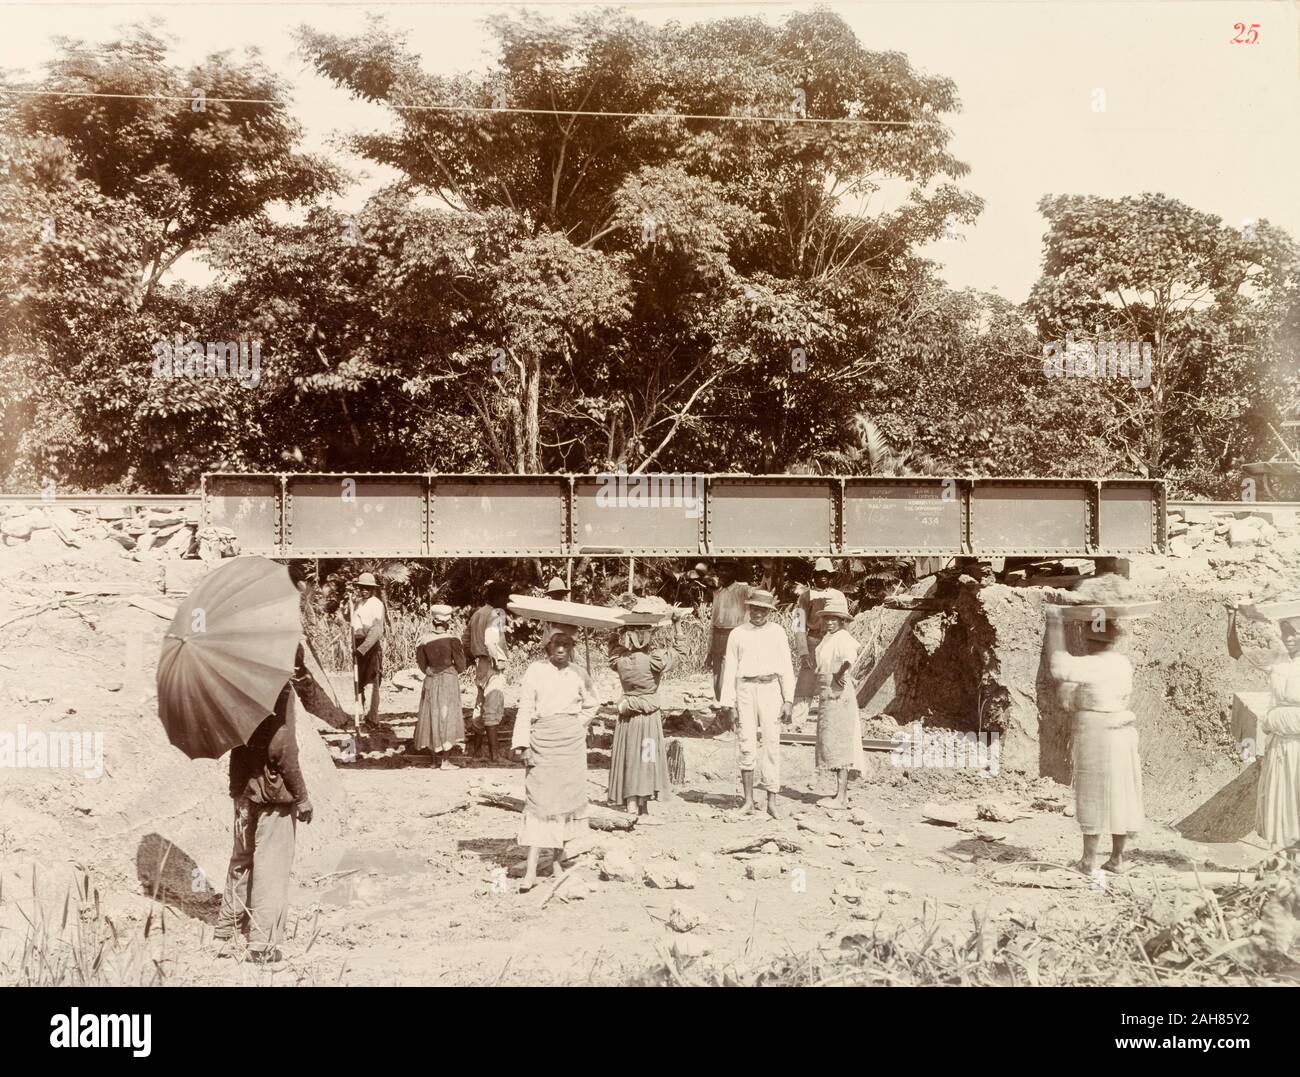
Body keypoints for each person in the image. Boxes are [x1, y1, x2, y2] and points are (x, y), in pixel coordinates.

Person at [214, 646, 314, 964]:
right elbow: (282, 750)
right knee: (271, 866)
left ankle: (227, 933)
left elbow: (233, 742)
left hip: (244, 790)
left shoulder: (236, 686)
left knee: (241, 859)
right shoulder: (280, 693)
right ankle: (262, 943)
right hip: (273, 796)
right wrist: (302, 796)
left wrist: (238, 786)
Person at [1046, 607, 1144, 875]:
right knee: (1119, 794)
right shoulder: (1122, 663)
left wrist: (1054, 624)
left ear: (1090, 640)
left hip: (1098, 731)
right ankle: (1117, 859)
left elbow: (1058, 664)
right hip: (1121, 730)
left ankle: (1089, 861)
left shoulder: (1088, 664)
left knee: (1093, 793)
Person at [510, 631, 599, 891]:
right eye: (556, 645)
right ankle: (530, 870)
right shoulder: (535, 671)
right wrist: (522, 744)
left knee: (566, 802)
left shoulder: (579, 673)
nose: (561, 649)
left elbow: (593, 703)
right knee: (539, 803)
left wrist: (576, 726)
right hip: (543, 741)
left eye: (566, 645)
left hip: (570, 745)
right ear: (548, 647)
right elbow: (525, 708)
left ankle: (558, 862)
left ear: (572, 648)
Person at [720, 588, 795, 818]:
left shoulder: (778, 632)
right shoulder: (738, 634)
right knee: (747, 743)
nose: (758, 613)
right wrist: (728, 704)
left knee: (772, 743)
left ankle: (772, 800)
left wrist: (788, 699)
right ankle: (748, 801)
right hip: (745, 689)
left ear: (769, 612)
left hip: (771, 689)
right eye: (754, 609)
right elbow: (730, 668)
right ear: (749, 608)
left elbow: (786, 667)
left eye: (763, 610)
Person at [608, 625, 675, 823]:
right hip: (648, 718)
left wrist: (615, 632)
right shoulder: (655, 661)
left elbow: (612, 647)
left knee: (629, 755)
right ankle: (643, 808)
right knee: (647, 757)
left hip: (627, 716)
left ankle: (630, 802)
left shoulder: (620, 660)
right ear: (649, 639)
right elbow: (677, 652)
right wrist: (678, 627)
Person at [814, 595, 864, 809]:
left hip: (839, 692)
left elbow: (849, 658)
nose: (829, 622)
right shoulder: (828, 638)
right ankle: (838, 793)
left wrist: (839, 673)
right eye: (827, 619)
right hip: (827, 690)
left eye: (834, 619)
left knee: (841, 741)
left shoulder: (843, 637)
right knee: (831, 741)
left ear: (842, 620)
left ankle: (842, 797)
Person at [1257, 618, 1300, 851]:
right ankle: (1284, 862)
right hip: (1279, 743)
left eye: (1295, 633)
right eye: (1285, 634)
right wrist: (1232, 618)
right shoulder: (1277, 661)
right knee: (1282, 802)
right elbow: (1237, 654)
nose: (1290, 638)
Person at [792, 558, 848, 728]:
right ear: (814, 576)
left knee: (835, 678)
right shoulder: (805, 596)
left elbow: (844, 622)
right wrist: (803, 652)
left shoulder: (838, 596)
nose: (823, 577)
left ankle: (834, 720)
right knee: (806, 681)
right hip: (813, 640)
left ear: (830, 576)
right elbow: (799, 625)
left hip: (832, 640)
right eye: (819, 574)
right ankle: (798, 721)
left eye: (826, 574)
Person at [413, 604, 467, 769]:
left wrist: (432, 670)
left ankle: (434, 761)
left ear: (433, 621)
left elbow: (422, 666)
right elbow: (462, 665)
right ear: (448, 622)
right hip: (447, 681)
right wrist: (450, 670)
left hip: (431, 679)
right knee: (447, 716)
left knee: (431, 716)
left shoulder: (423, 639)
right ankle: (445, 760)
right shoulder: (453, 639)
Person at [467, 581, 511, 760]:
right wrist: (498, 660)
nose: (506, 601)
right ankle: (495, 754)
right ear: (496, 597)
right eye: (503, 597)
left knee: (480, 707)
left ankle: (477, 751)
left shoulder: (478, 613)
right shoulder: (495, 614)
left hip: (481, 664)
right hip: (492, 664)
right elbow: (490, 640)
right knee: (492, 708)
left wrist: (471, 657)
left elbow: (466, 637)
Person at [708, 561, 751, 702]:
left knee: (729, 673)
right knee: (716, 674)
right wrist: (709, 649)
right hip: (717, 635)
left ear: (734, 573)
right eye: (720, 570)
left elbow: (763, 590)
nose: (722, 574)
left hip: (733, 634)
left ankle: (730, 707)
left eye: (727, 571)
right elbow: (713, 622)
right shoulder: (718, 592)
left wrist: (768, 572)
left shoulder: (742, 589)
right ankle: (722, 706)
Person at [350, 572, 385, 728]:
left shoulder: (377, 604)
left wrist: (363, 649)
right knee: (359, 682)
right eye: (361, 587)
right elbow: (350, 621)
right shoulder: (357, 603)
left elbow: (376, 630)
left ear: (373, 589)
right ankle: (362, 715)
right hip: (357, 645)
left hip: (369, 646)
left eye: (367, 588)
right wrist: (347, 605)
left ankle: (372, 719)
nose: (364, 590)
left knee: (371, 683)